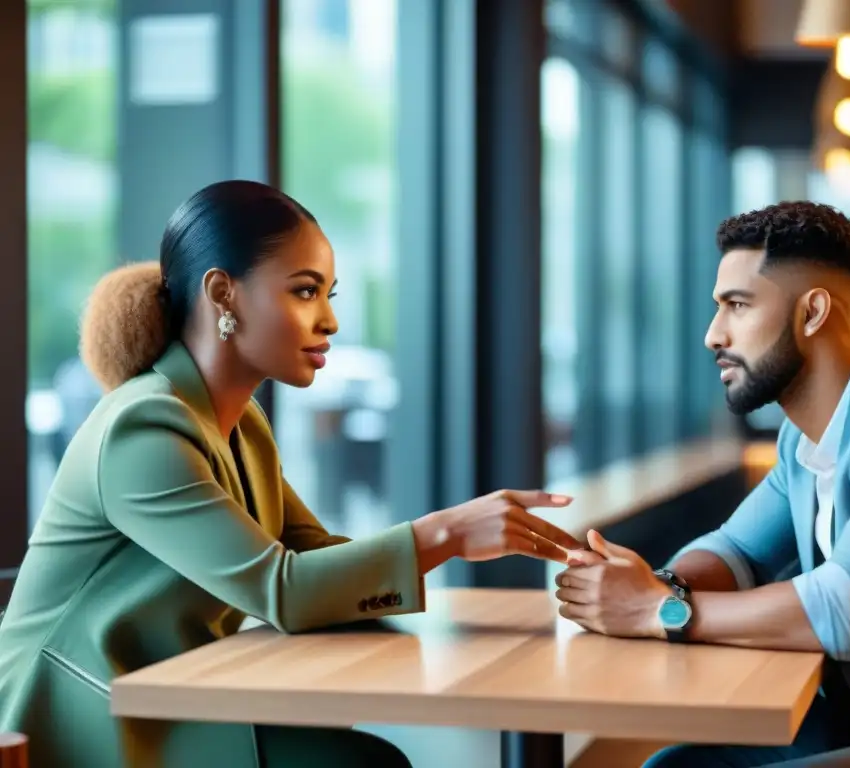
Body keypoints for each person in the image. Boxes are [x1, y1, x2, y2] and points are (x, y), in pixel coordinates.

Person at [0, 180, 581, 768]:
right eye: (305, 292)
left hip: (175, 698)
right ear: (222, 294)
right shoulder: (143, 428)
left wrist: (437, 551)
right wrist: (447, 534)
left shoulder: (240, 421)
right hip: (77, 718)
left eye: (329, 294)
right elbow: (284, 588)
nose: (329, 320)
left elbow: (313, 555)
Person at [555, 202, 850, 767]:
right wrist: (652, 585)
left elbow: (845, 612)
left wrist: (657, 611)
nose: (713, 335)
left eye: (737, 305)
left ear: (812, 313)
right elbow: (738, 551)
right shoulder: (806, 439)